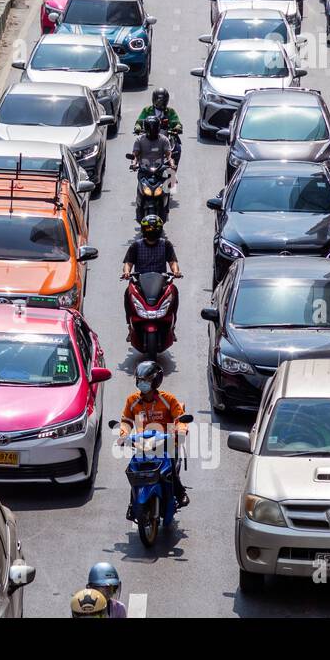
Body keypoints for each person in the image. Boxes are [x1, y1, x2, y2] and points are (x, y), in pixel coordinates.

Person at [117, 359, 189, 505]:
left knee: (171, 470)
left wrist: (181, 430)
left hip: (167, 442)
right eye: (139, 379)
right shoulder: (132, 401)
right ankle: (133, 503)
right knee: (135, 471)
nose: (142, 382)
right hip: (143, 444)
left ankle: (180, 492)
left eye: (146, 380)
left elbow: (180, 419)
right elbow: (126, 421)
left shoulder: (168, 399)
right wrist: (123, 435)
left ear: (156, 381)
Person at [121, 215, 182, 336]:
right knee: (128, 292)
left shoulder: (166, 245)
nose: (152, 231)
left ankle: (172, 326)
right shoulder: (136, 246)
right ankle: (130, 325)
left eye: (154, 229)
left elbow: (173, 262)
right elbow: (128, 263)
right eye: (149, 229)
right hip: (140, 283)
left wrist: (176, 271)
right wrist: (126, 272)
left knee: (174, 291)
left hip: (161, 283)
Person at [134, 88, 183, 167]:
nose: (161, 103)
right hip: (149, 138)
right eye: (158, 101)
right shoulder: (147, 110)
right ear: (154, 100)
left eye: (163, 101)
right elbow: (139, 122)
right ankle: (136, 164)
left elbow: (177, 123)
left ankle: (173, 169)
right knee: (137, 147)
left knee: (177, 149)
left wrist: (177, 128)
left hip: (166, 139)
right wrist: (138, 128)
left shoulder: (171, 111)